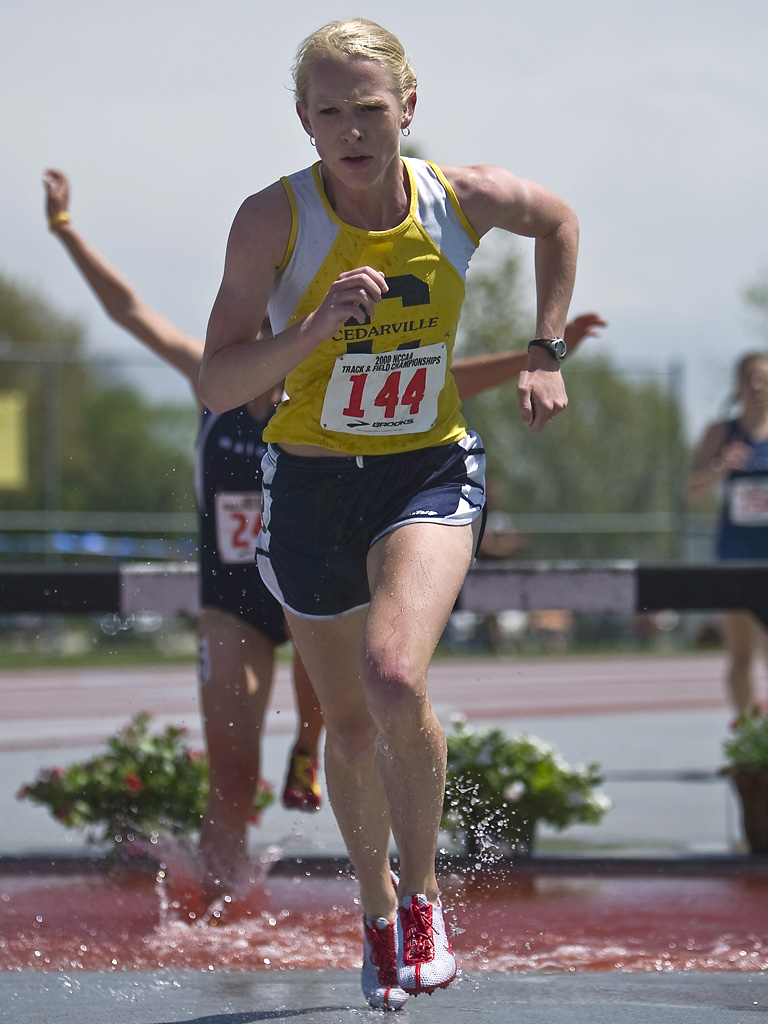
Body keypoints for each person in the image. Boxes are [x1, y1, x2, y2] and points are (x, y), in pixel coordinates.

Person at [199, 18, 578, 1009]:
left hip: (427, 469)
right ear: (304, 122)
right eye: (331, 111)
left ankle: (424, 900)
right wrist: (315, 326)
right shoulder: (271, 222)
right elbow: (217, 378)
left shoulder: (462, 197)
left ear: (407, 107)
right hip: (312, 481)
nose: (353, 129)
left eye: (370, 107)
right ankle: (373, 911)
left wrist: (546, 353)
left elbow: (562, 219)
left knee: (393, 672)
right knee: (352, 726)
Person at [42, 169, 325, 900]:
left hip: (310, 585)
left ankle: (308, 745)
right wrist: (67, 231)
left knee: (331, 661)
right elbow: (130, 311)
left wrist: (531, 358)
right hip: (232, 599)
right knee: (231, 778)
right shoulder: (213, 383)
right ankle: (221, 904)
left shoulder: (322, 388)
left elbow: (445, 384)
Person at [686, 351, 768, 715]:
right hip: (734, 554)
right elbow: (691, 494)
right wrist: (719, 467)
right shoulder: (721, 433)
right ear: (738, 386)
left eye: (763, 378)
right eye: (749, 379)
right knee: (740, 656)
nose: (757, 386)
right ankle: (747, 736)